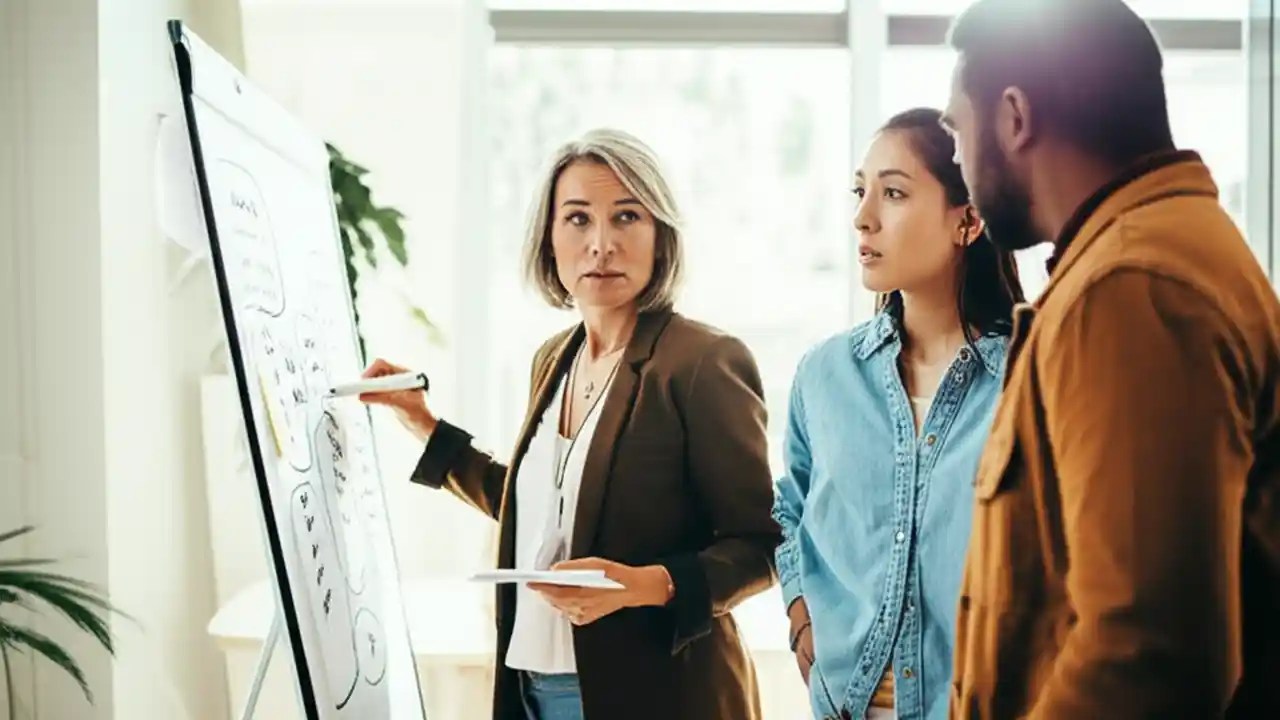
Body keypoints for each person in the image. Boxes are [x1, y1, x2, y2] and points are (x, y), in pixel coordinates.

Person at [359, 128, 780, 720]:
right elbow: (534, 507)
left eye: (627, 217)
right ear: (549, 239)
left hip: (660, 695)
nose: (601, 244)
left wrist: (645, 585)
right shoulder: (554, 358)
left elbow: (762, 545)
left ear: (660, 236)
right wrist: (424, 425)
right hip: (536, 689)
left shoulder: (701, 361)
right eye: (578, 219)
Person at [940, 0, 1280, 717]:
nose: (960, 163)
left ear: (1013, 117)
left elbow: (1148, 653)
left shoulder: (1130, 288)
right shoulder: (1153, 254)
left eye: (957, 131)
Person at [773, 107, 1025, 720]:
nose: (863, 217)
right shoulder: (824, 375)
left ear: (967, 219)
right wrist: (801, 618)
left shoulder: (1030, 379)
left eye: (893, 193)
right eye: (861, 191)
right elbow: (790, 507)